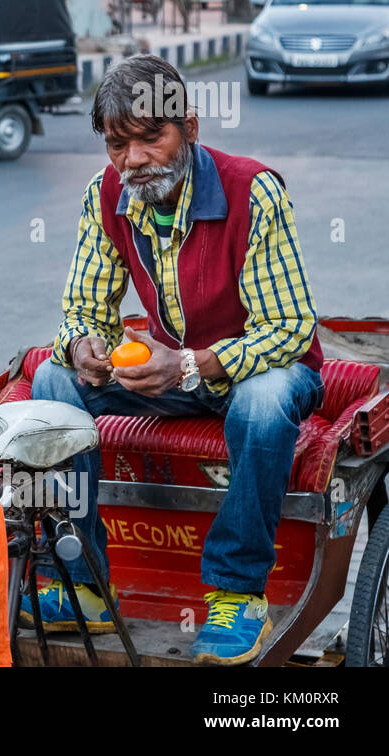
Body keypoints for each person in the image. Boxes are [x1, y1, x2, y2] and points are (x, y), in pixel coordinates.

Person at [29, 54, 324, 666]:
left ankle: (237, 593)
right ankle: (83, 582)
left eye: (150, 138)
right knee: (52, 377)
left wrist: (190, 366)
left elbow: (290, 329)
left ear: (189, 127)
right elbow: (83, 311)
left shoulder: (253, 191)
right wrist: (85, 347)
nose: (133, 160)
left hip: (262, 371)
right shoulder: (107, 194)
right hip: (170, 373)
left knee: (266, 397)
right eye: (117, 145)